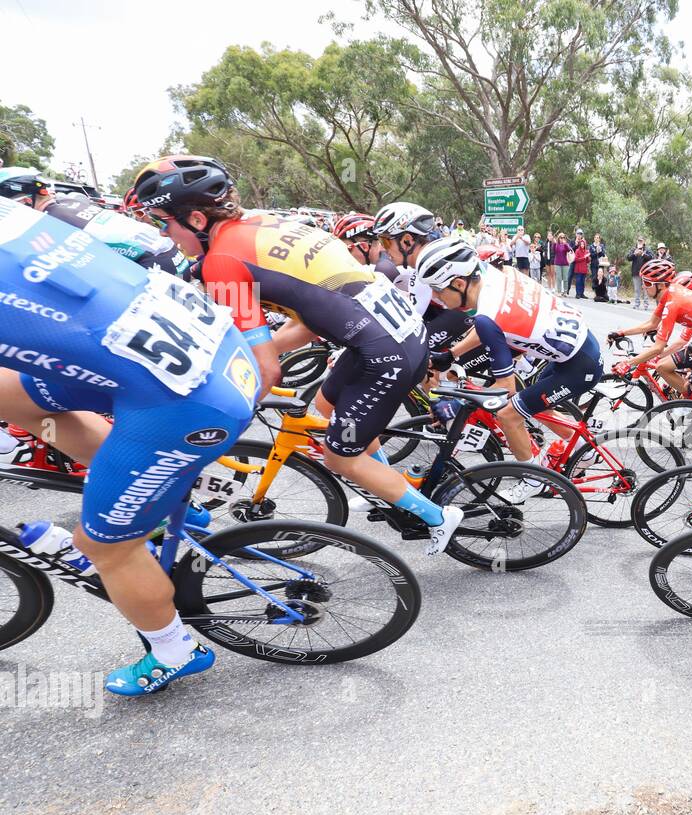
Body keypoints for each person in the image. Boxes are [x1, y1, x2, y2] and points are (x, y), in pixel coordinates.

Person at [134, 155, 464, 555]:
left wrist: (208, 414)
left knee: (340, 458)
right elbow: (306, 322)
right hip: (386, 333)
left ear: (197, 220)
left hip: (381, 350)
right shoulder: (261, 224)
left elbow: (264, 369)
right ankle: (386, 482)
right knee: (323, 407)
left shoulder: (221, 261)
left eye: (162, 222)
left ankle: (436, 517)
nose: (166, 237)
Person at [0, 197, 260, 695]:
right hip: (204, 353)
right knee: (14, 397)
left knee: (102, 547)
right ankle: (143, 499)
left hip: (182, 401)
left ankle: (173, 650)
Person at [418, 236, 601, 503]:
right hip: (576, 348)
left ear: (459, 283)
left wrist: (459, 404)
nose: (436, 297)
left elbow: (504, 388)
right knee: (540, 405)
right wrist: (451, 354)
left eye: (437, 289)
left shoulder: (488, 315)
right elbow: (487, 327)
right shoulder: (496, 274)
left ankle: (534, 478)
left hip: (578, 364)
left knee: (509, 414)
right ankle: (586, 449)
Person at [0, 166, 188, 276]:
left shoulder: (48, 220)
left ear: (25, 203)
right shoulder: (70, 201)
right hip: (171, 254)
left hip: (153, 266)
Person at [609, 259, 692, 395]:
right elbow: (651, 324)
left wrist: (628, 363)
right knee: (681, 369)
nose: (643, 287)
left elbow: (658, 347)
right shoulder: (669, 293)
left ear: (661, 285)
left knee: (663, 367)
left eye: (647, 283)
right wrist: (621, 333)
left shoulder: (673, 302)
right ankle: (690, 401)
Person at [627, 237, 651, 308]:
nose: (640, 242)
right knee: (637, 290)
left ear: (644, 242)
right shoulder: (633, 249)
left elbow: (651, 257)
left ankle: (646, 305)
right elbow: (628, 257)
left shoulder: (647, 250)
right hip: (635, 272)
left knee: (645, 290)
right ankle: (637, 304)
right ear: (637, 241)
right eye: (639, 241)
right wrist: (634, 254)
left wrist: (643, 254)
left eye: (641, 241)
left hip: (645, 273)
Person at [570, 231, 590, 298]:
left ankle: (582, 293)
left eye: (583, 244)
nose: (582, 245)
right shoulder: (577, 251)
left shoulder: (586, 251)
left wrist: (588, 257)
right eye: (581, 244)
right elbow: (576, 259)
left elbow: (587, 261)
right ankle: (578, 294)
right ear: (579, 245)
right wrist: (583, 257)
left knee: (582, 282)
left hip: (584, 269)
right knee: (578, 281)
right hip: (578, 269)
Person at [552, 231, 572, 297]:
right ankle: (559, 291)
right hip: (557, 263)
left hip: (565, 263)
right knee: (559, 278)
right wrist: (554, 243)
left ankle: (565, 292)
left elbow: (569, 250)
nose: (562, 238)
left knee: (565, 278)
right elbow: (554, 251)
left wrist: (565, 244)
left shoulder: (566, 244)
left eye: (563, 237)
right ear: (558, 238)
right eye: (561, 237)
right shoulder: (556, 244)